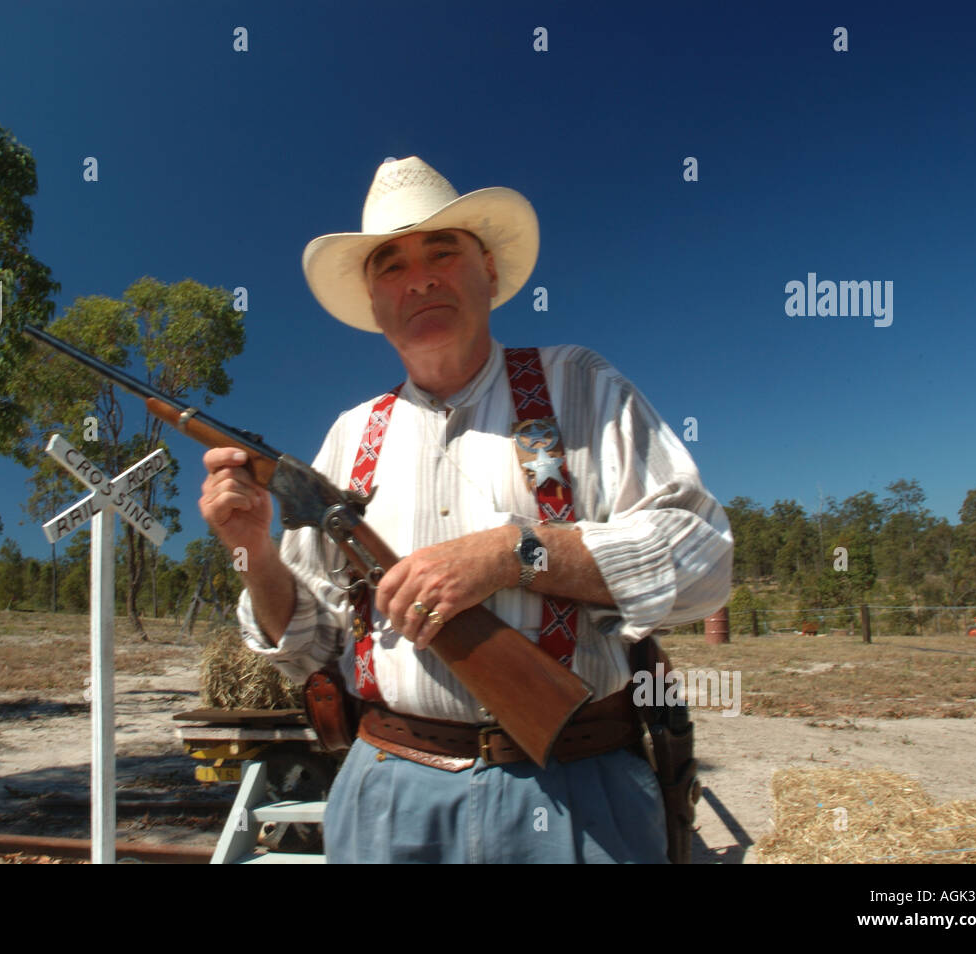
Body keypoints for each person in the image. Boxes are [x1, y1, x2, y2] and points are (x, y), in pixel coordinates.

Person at [199, 156, 733, 863]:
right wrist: (257, 555)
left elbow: (702, 557)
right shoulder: (348, 436)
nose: (419, 276)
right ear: (373, 299)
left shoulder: (580, 382)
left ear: (486, 269)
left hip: (580, 789)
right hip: (388, 796)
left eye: (442, 250)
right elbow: (306, 649)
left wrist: (514, 555)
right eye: (390, 263)